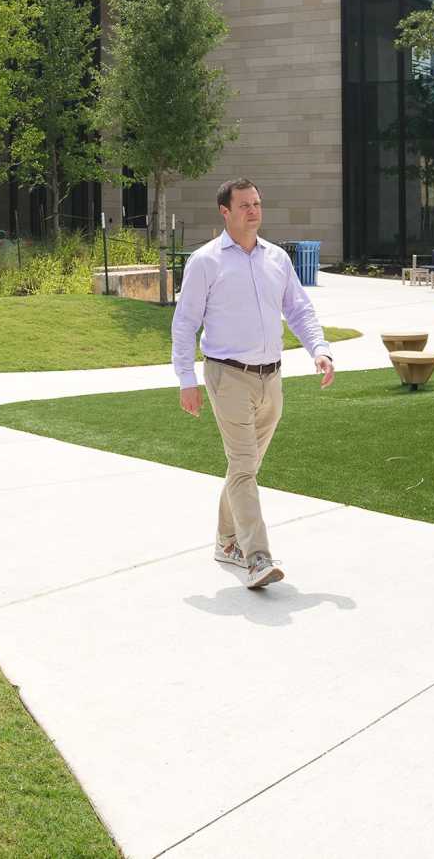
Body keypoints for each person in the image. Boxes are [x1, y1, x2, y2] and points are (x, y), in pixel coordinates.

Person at [170, 178, 335, 589]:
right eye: (244, 205)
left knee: (245, 467)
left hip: (272, 378)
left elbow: (298, 309)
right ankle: (257, 557)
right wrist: (186, 379)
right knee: (244, 466)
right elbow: (184, 323)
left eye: (257, 203)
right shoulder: (206, 261)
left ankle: (226, 541)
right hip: (227, 377)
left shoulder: (276, 258)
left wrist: (320, 349)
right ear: (224, 211)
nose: (253, 211)